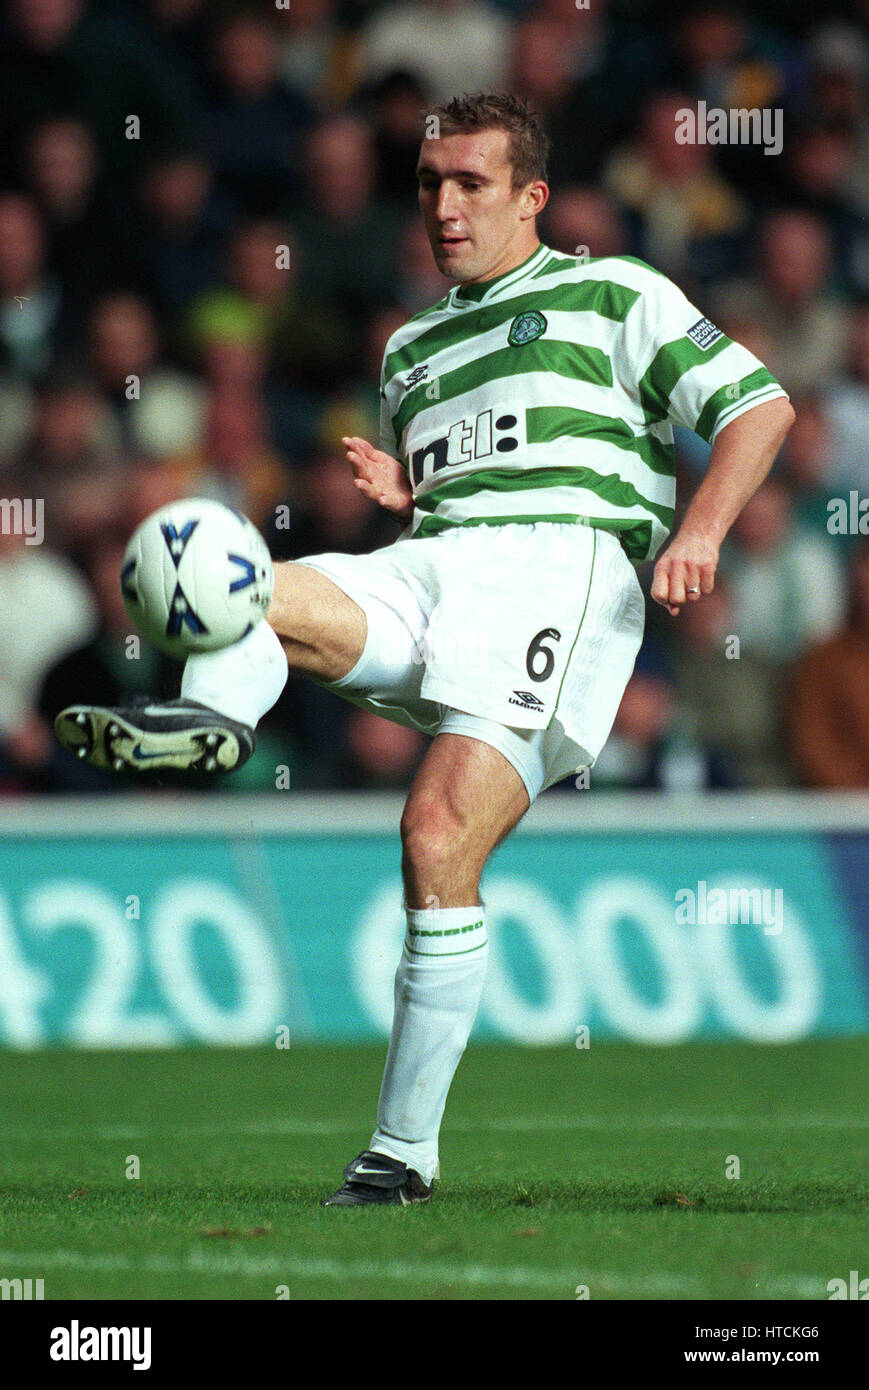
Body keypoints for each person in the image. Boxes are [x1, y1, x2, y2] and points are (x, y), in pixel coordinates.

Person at [56, 92, 794, 1206]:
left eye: (470, 184)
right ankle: (211, 726)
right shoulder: (410, 346)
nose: (443, 207)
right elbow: (468, 494)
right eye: (428, 183)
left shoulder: (614, 292)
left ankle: (400, 1154)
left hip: (561, 571)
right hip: (435, 562)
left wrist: (697, 530)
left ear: (529, 196)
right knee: (250, 580)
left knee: (434, 830)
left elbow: (759, 405)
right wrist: (416, 491)